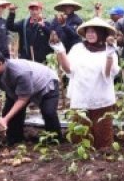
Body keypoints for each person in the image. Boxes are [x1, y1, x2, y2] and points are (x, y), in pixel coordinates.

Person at [50, 18, 120, 149]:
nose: (90, 34)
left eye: (94, 31)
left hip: (101, 98)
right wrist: (59, 50)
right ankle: (83, 162)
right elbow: (68, 69)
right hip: (81, 97)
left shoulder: (109, 49)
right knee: (81, 135)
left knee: (103, 135)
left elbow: (107, 73)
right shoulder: (78, 49)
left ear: (101, 33)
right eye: (88, 31)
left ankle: (103, 162)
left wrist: (109, 55)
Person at [0, 50, 61, 145]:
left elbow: (23, 99)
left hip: (44, 83)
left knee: (49, 112)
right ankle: (15, 141)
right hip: (17, 90)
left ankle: (55, 141)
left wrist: (5, 119)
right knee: (8, 114)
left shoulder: (20, 72)